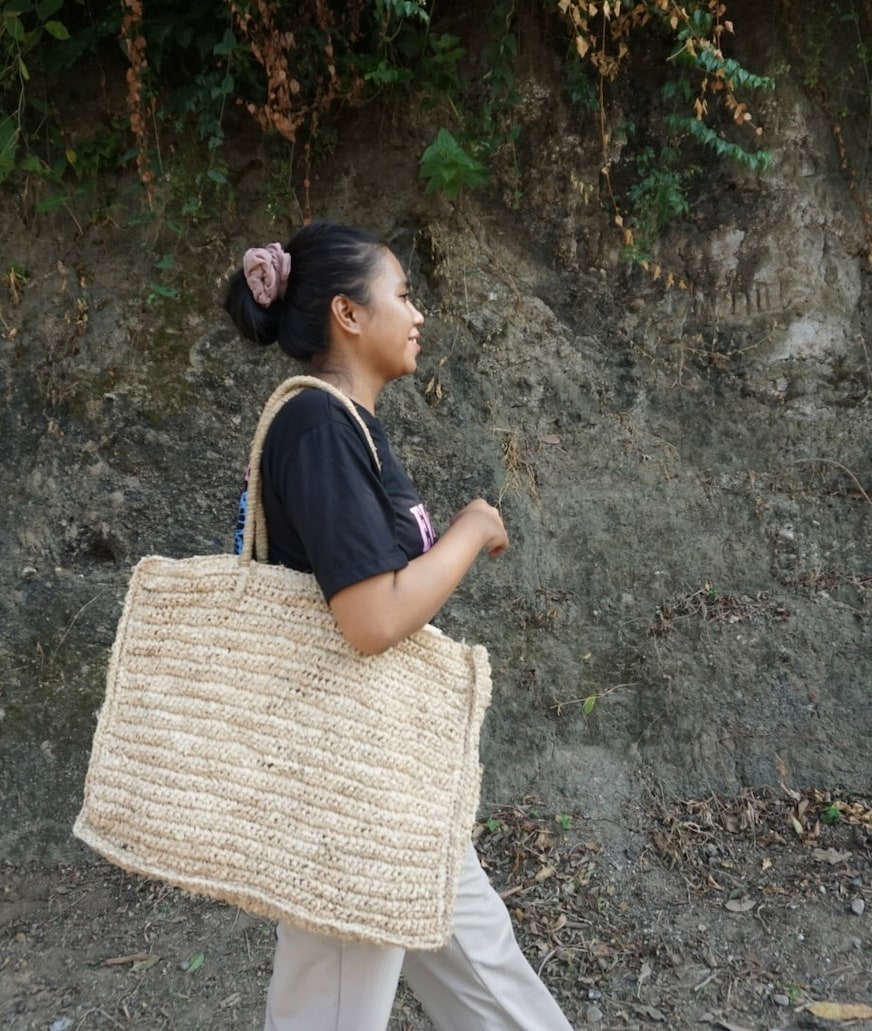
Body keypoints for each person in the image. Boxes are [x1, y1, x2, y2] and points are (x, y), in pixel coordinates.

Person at [224, 221, 573, 1031]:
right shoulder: (315, 428)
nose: (416, 313)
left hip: (392, 772)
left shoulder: (349, 427)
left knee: (490, 976)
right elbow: (371, 617)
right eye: (403, 294)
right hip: (349, 791)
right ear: (348, 313)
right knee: (332, 1009)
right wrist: (469, 529)